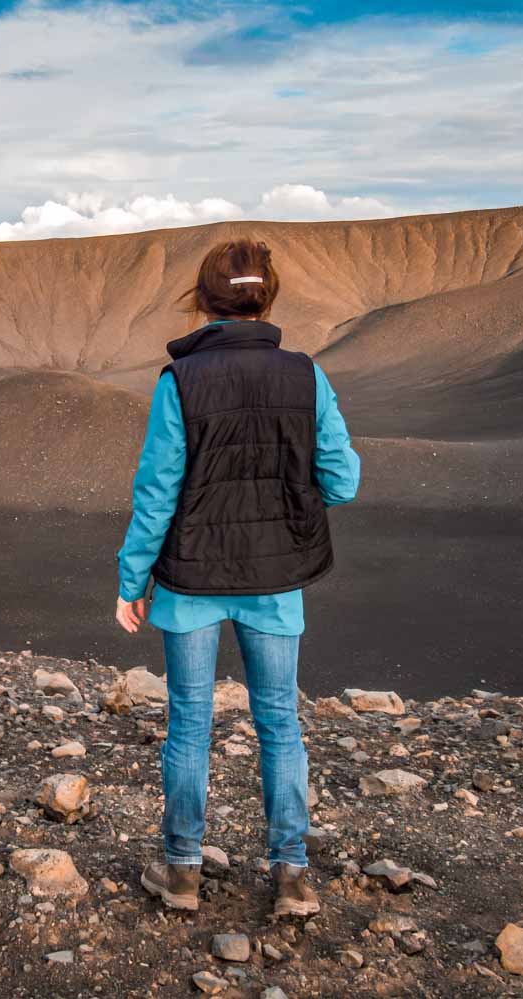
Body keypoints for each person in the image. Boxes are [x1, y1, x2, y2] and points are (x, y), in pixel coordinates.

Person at [115, 237, 361, 918]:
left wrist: (132, 579)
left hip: (191, 578)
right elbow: (342, 479)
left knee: (189, 725)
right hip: (276, 576)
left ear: (204, 300)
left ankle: (183, 870)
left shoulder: (179, 381)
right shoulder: (306, 376)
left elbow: (157, 491)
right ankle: (290, 875)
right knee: (279, 722)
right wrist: (286, 498)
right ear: (267, 295)